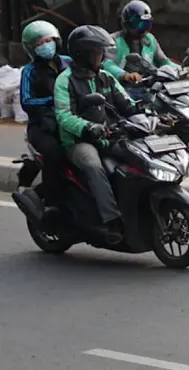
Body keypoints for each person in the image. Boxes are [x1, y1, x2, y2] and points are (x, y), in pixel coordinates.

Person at [55, 25, 140, 243]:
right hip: (79, 141)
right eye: (97, 52)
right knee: (94, 166)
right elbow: (64, 116)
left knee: (139, 157)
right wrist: (89, 127)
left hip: (110, 135)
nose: (101, 56)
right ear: (82, 54)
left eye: (102, 52)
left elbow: (127, 103)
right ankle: (111, 220)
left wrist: (150, 112)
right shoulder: (65, 80)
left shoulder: (105, 77)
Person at [18, 20, 72, 205]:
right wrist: (51, 101)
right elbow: (26, 101)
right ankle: (51, 203)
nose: (45, 46)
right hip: (43, 126)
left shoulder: (69, 63)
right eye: (39, 44)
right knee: (54, 153)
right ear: (31, 49)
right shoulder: (30, 71)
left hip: (71, 120)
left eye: (48, 41)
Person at [103, 0, 181, 99]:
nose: (143, 28)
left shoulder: (150, 39)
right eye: (139, 24)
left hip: (149, 88)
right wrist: (125, 75)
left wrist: (180, 69)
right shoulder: (113, 40)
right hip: (122, 89)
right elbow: (107, 64)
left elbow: (164, 61)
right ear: (127, 23)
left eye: (146, 24)